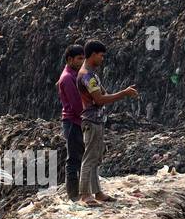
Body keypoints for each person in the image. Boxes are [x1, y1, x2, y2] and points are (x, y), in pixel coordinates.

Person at [77, 39, 138, 207]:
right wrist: (124, 93)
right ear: (93, 54)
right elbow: (100, 99)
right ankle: (85, 194)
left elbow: (103, 93)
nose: (102, 59)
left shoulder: (92, 74)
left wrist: (120, 93)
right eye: (101, 56)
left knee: (96, 157)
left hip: (97, 120)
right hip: (91, 120)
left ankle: (97, 192)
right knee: (89, 157)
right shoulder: (87, 75)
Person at [55, 44, 86, 202]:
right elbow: (76, 105)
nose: (82, 61)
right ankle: (73, 195)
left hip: (77, 121)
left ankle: (81, 192)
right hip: (73, 122)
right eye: (79, 58)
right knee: (73, 160)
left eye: (83, 58)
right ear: (69, 59)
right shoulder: (68, 78)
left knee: (80, 158)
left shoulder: (75, 74)